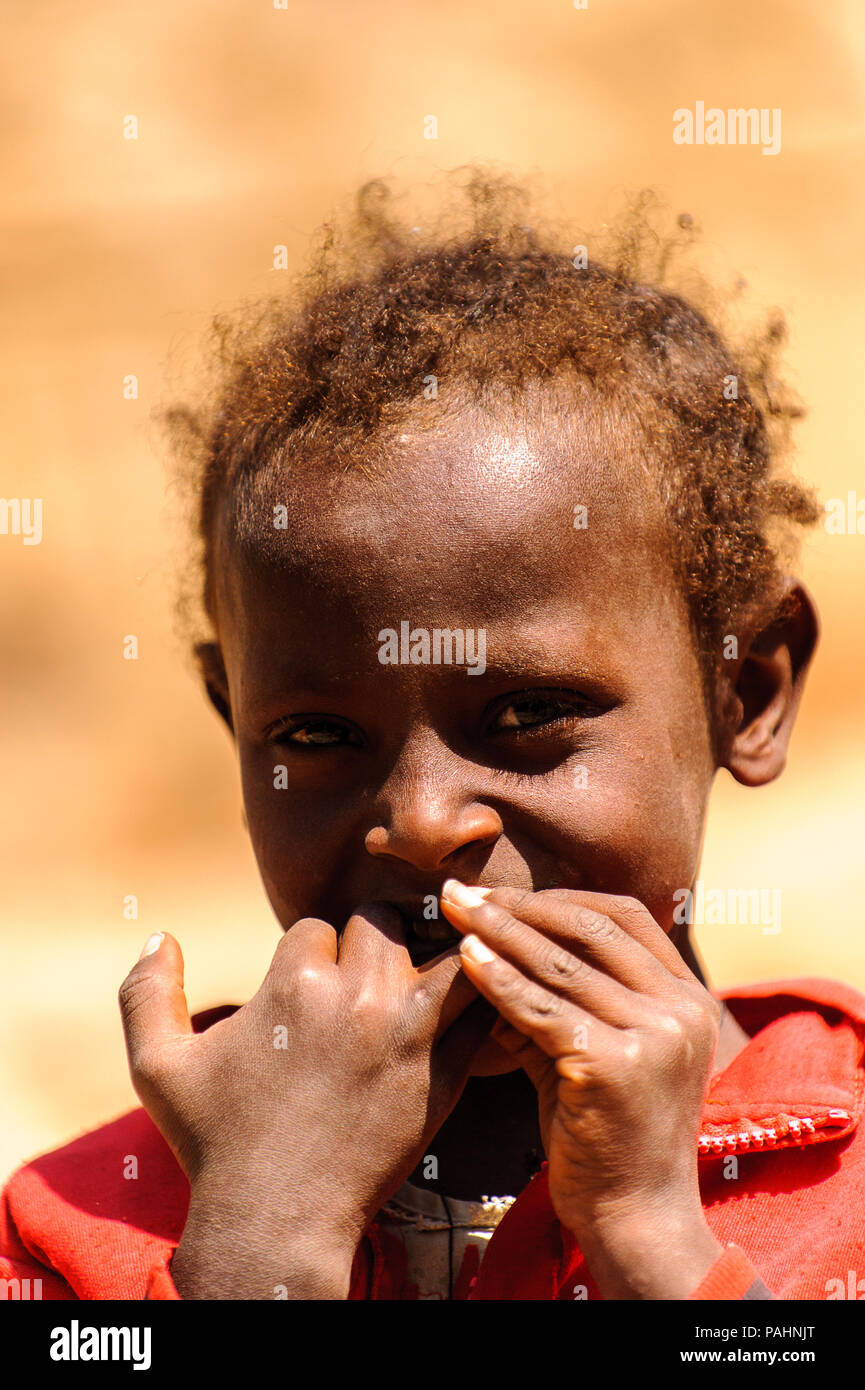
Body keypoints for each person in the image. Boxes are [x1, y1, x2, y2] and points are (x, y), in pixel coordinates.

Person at [3, 174, 863, 1301]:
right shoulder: (76, 1229)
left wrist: (659, 1248)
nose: (420, 822)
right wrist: (262, 1243)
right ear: (234, 727)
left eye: (525, 713)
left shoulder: (835, 1173)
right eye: (317, 733)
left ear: (744, 691)